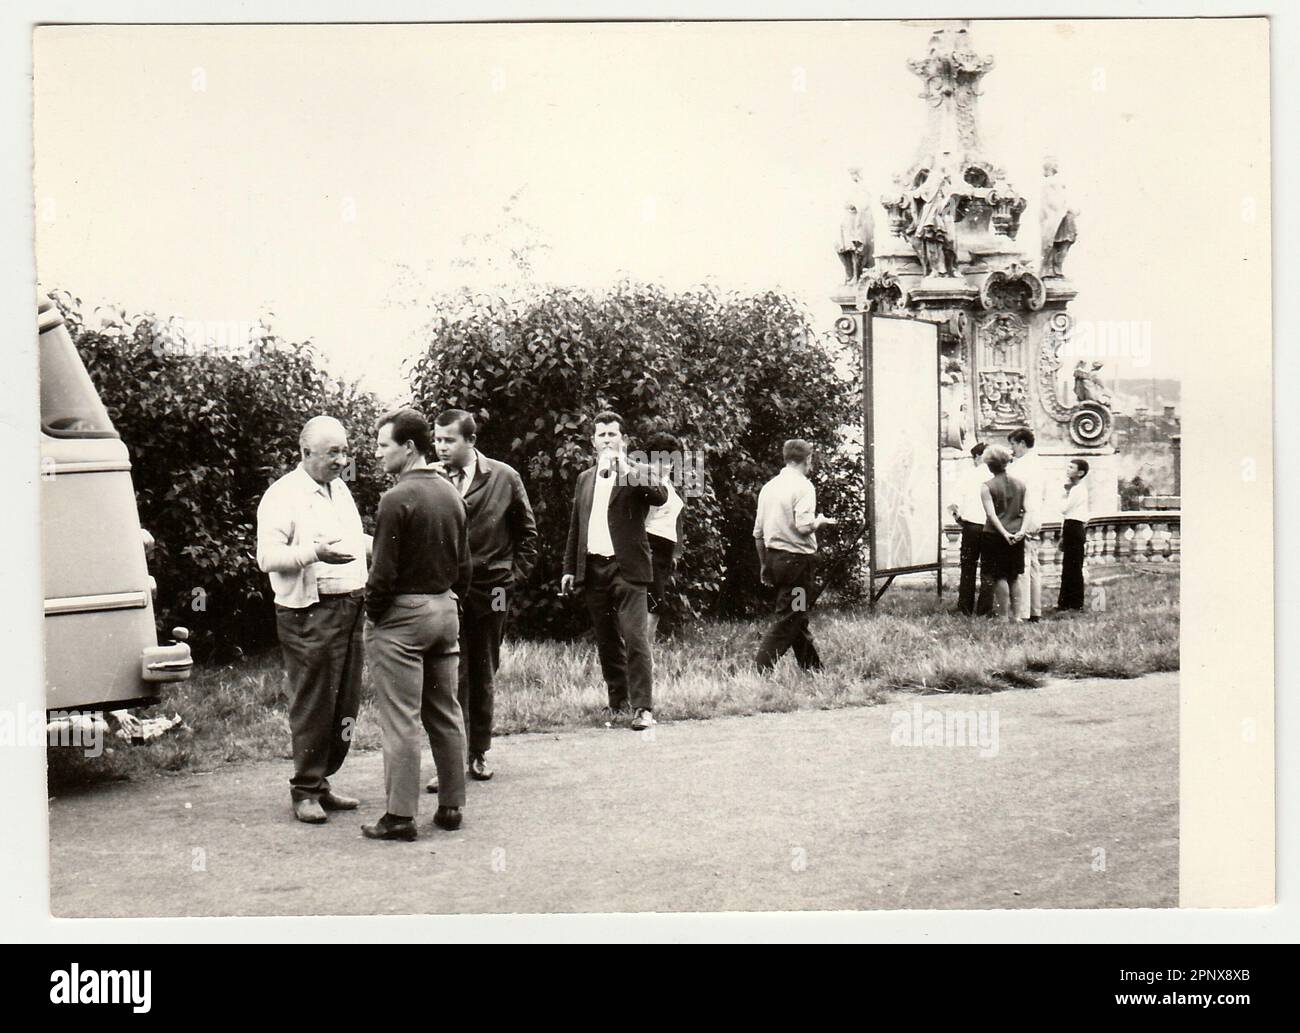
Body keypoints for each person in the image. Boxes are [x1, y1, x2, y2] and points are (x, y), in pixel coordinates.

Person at [361, 408, 472, 842]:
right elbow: (465, 567)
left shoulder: (395, 499)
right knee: (445, 710)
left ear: (408, 447)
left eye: (383, 445)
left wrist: (373, 615)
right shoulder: (450, 494)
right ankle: (451, 806)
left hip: (402, 619)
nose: (376, 453)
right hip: (446, 611)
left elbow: (382, 575)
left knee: (401, 718)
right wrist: (445, 598)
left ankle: (401, 816)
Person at [256, 415, 368, 825]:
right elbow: (267, 557)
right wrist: (314, 553)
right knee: (314, 702)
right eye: (332, 452)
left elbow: (354, 543)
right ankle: (304, 789)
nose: (342, 460)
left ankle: (322, 783)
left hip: (351, 607)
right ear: (305, 453)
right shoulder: (282, 495)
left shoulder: (339, 490)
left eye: (344, 450)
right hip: (309, 612)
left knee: (345, 704)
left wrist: (393, 541)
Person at [426, 408, 538, 789]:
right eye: (437, 440)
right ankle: (449, 760)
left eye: (449, 440)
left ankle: (477, 753)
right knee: (448, 673)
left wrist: (511, 579)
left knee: (484, 668)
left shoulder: (504, 477)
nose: (440, 447)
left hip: (493, 592)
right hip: (447, 591)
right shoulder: (431, 478)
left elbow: (528, 534)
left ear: (471, 441)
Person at [561, 411, 667, 731]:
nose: (607, 440)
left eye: (613, 435)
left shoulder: (639, 471)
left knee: (635, 638)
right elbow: (576, 527)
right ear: (593, 442)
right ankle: (617, 703)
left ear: (623, 440)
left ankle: (643, 708)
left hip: (627, 568)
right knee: (607, 641)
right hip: (593, 568)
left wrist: (627, 470)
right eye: (602, 435)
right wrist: (569, 568)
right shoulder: (585, 479)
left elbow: (660, 495)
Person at [753, 439, 836, 672]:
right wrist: (819, 521)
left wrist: (763, 564)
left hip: (775, 560)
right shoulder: (804, 487)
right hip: (798, 565)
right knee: (790, 617)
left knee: (797, 614)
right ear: (808, 459)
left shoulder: (769, 487)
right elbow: (803, 526)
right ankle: (761, 669)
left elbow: (758, 533)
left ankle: (813, 670)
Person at [642, 430, 686, 643]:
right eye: (662, 460)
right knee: (652, 605)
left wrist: (676, 552)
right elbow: (640, 521)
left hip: (664, 551)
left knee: (655, 604)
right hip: (649, 546)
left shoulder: (667, 483)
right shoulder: (647, 484)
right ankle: (641, 654)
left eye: (671, 461)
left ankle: (642, 652)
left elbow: (674, 519)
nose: (667, 466)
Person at [978, 445, 1028, 622]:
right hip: (1017, 534)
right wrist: (1021, 531)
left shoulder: (987, 486)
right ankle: (1018, 616)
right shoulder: (1021, 484)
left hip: (995, 535)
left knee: (999, 576)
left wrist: (1004, 533)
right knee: (1014, 576)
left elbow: (991, 515)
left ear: (990, 465)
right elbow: (1027, 511)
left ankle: (1003, 616)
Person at [949, 441, 993, 616]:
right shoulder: (996, 477)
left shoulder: (968, 475)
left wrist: (960, 520)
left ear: (975, 457)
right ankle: (985, 609)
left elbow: (953, 504)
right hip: (991, 528)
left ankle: (965, 606)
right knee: (988, 568)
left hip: (971, 526)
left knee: (968, 567)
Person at [1008, 427, 1047, 622]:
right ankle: (1035, 610)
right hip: (1035, 517)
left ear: (1022, 444)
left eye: (1013, 444)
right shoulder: (1038, 463)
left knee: (1021, 567)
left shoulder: (1021, 467)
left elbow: (1014, 492)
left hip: (1023, 518)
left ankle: (1022, 612)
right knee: (1032, 566)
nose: (1012, 449)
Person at [1056, 459, 1091, 611]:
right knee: (1071, 566)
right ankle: (1068, 602)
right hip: (1072, 526)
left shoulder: (1077, 489)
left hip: (1074, 527)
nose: (1068, 469)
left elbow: (1064, 509)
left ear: (1080, 472)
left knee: (1072, 566)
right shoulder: (1077, 488)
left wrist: (1064, 494)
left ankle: (1073, 602)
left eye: (1072, 467)